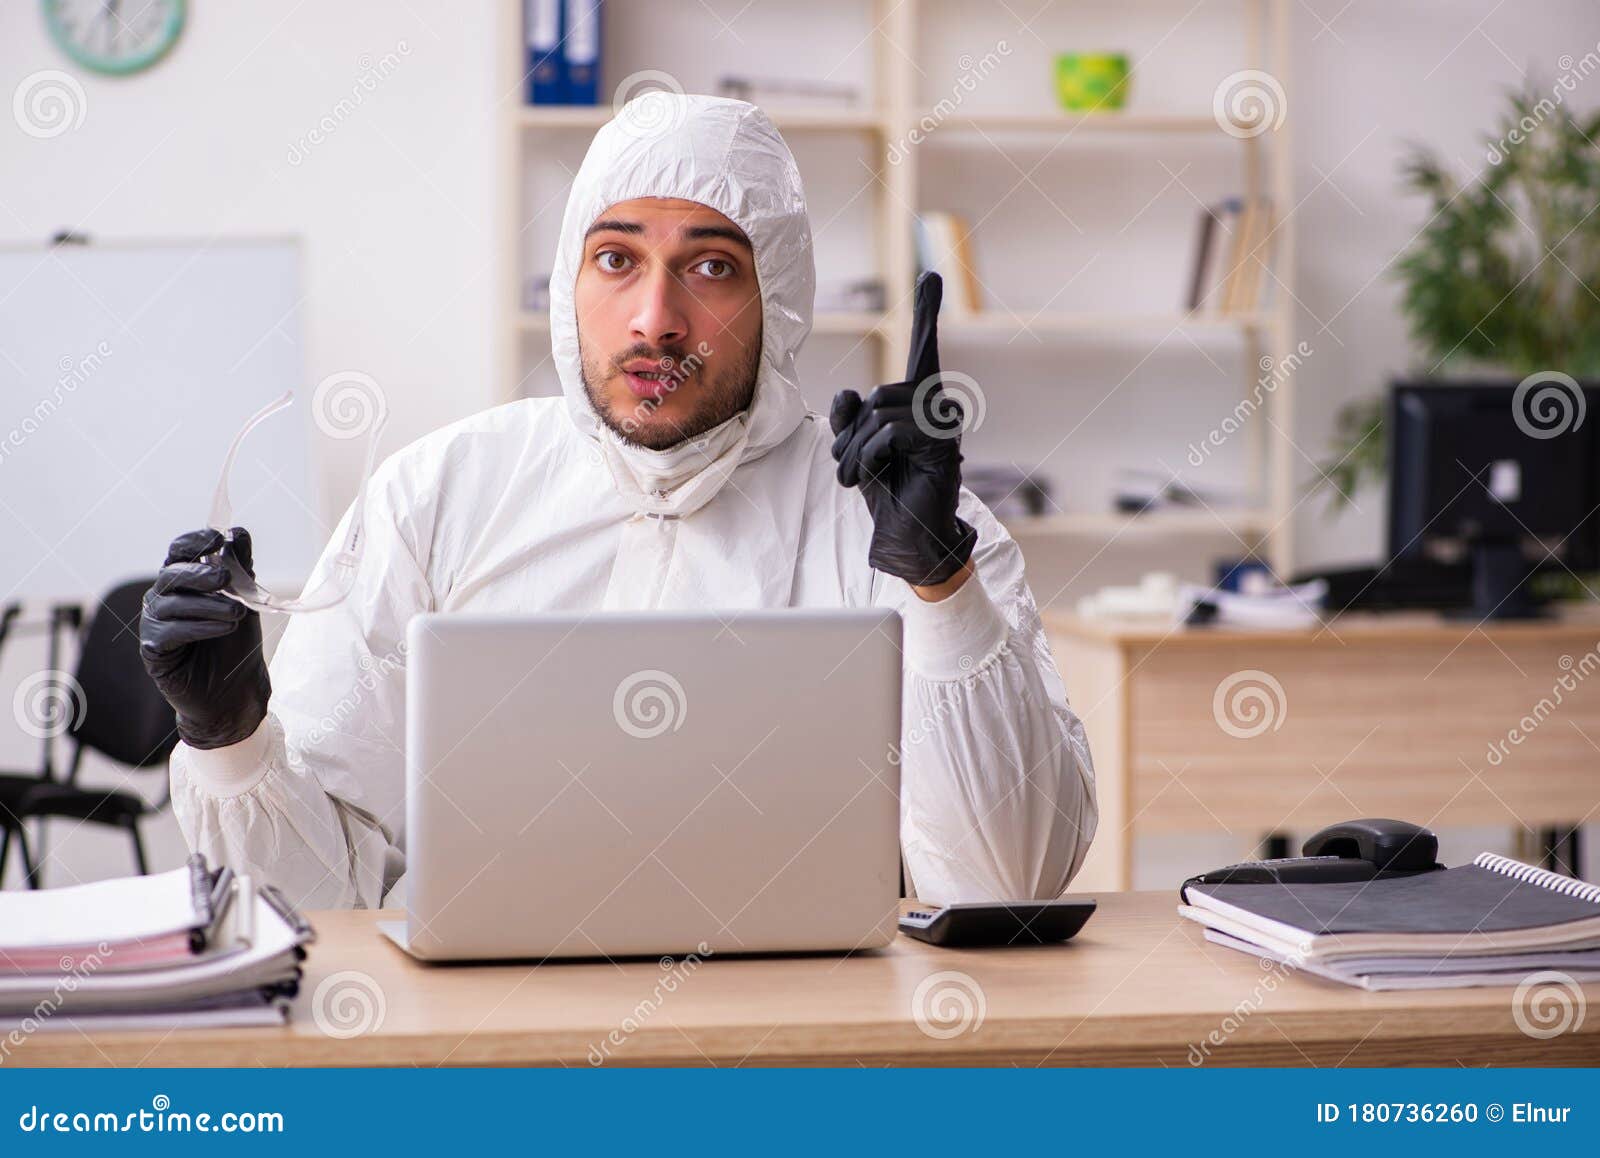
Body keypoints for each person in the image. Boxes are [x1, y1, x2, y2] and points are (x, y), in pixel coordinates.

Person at [140, 93, 1097, 910]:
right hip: (484, 1057)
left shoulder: (895, 518)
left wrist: (940, 586)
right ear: (571, 284)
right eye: (617, 259)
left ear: (782, 298)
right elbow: (312, 909)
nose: (655, 318)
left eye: (713, 266)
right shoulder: (437, 496)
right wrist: (229, 742)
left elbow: (1002, 888)